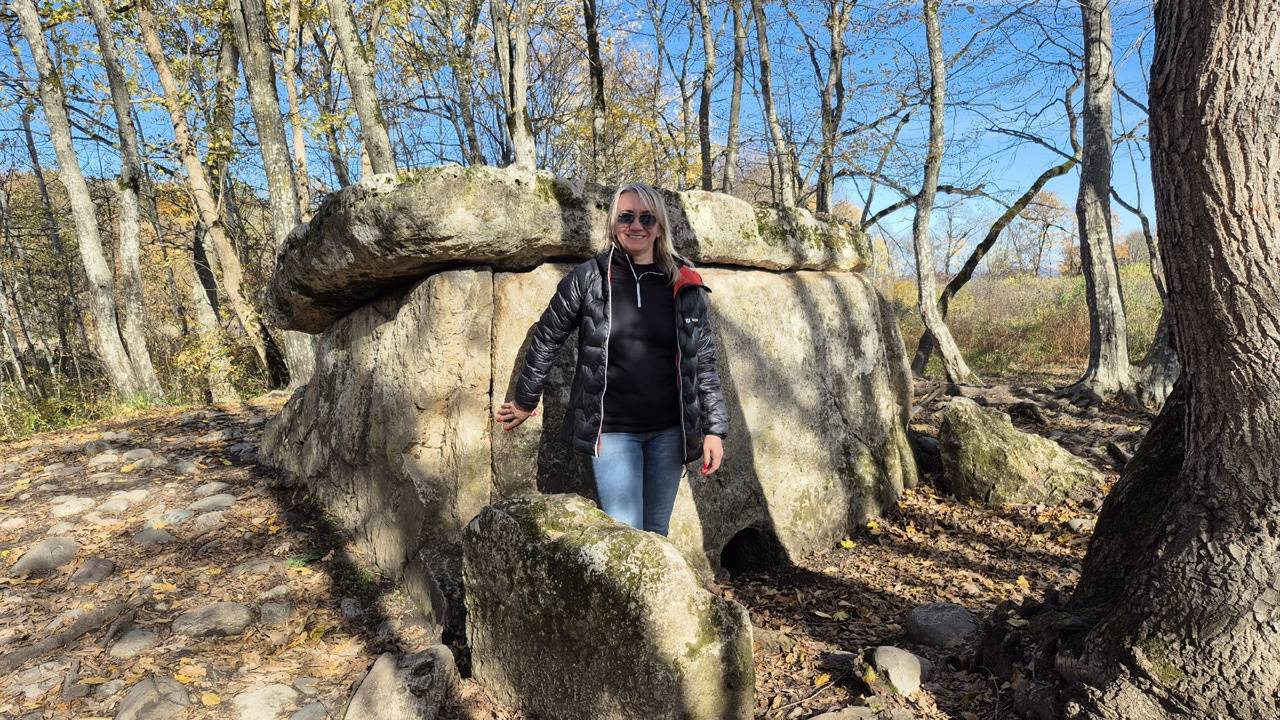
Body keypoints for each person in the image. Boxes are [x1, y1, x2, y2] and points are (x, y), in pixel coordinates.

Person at [495, 182, 728, 536]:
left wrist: (714, 430)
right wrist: (525, 400)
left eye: (647, 218)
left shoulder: (684, 282)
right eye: (626, 217)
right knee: (626, 536)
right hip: (614, 433)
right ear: (613, 223)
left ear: (660, 227)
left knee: (657, 533)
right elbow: (548, 335)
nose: (636, 226)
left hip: (669, 432)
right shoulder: (589, 277)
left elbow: (704, 361)